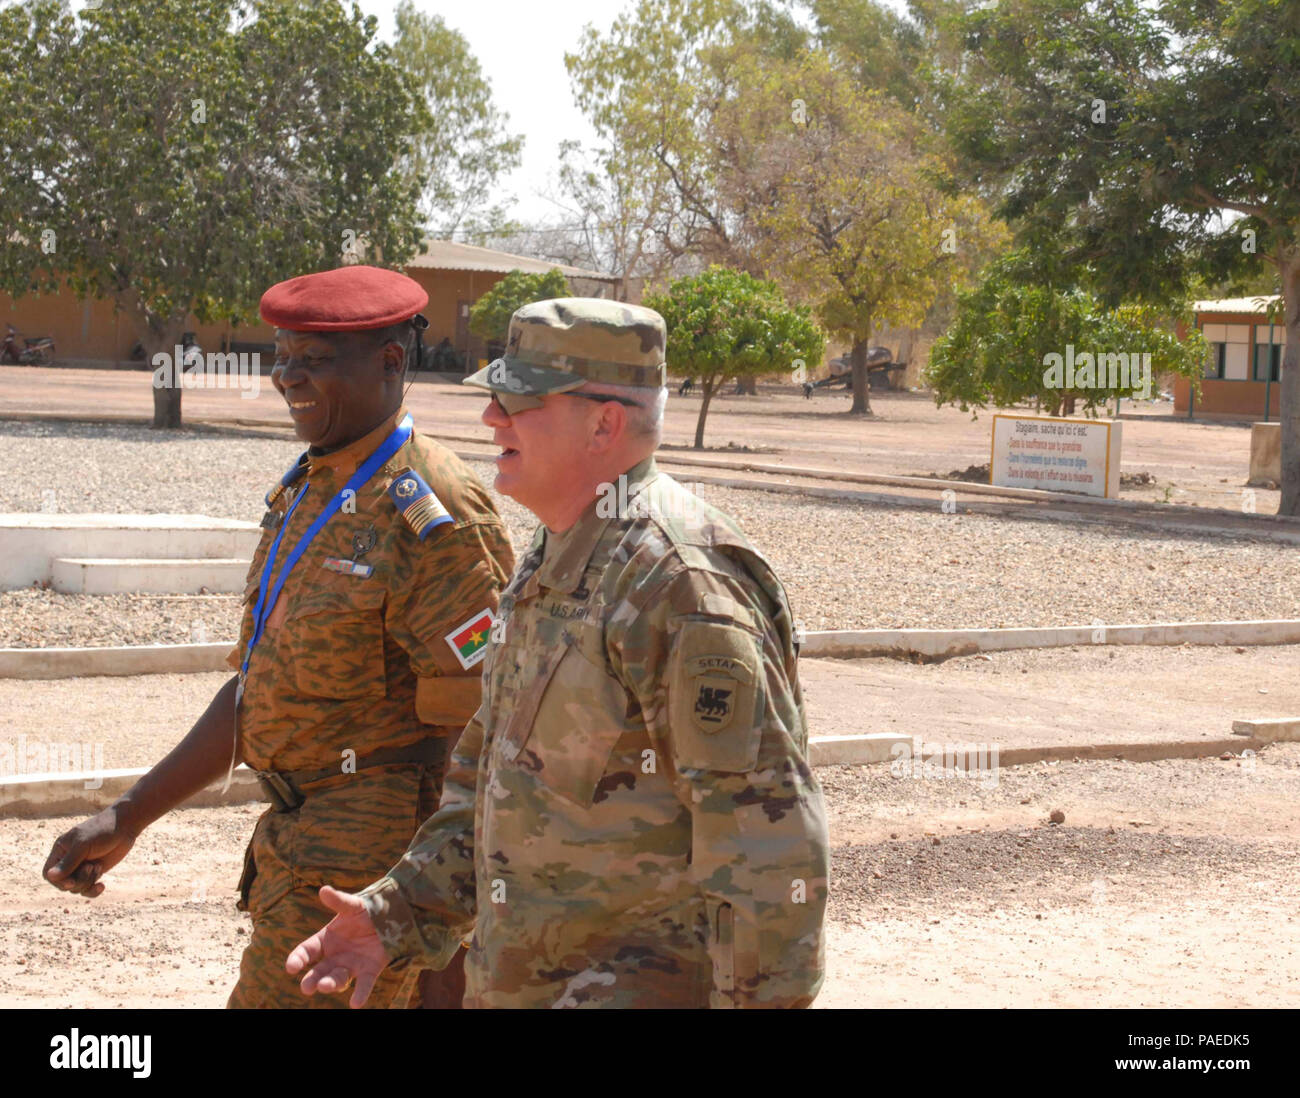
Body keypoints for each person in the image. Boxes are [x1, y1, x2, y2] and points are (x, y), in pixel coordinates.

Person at [286, 297, 829, 1008]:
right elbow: (489, 783)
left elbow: (769, 851)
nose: (491, 419)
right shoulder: (560, 555)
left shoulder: (679, 584)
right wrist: (398, 915)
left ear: (604, 422)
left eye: (517, 402)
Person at [42, 265, 515, 1010]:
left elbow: (481, 735)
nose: (288, 376)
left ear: (392, 363)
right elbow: (257, 687)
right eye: (283, 355)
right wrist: (128, 815)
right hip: (296, 843)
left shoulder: (435, 513)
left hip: (374, 861)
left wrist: (444, 934)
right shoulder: (311, 487)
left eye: (315, 360)